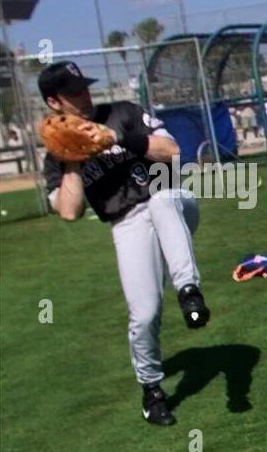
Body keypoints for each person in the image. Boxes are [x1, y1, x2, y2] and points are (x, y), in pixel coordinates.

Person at [40, 61, 210, 426]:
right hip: (126, 223)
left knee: (162, 198)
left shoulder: (122, 113)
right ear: (54, 102)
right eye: (72, 93)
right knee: (145, 313)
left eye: (83, 86)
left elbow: (171, 149)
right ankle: (152, 391)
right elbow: (68, 211)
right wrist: (72, 160)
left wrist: (119, 137)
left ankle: (188, 290)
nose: (83, 94)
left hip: (172, 200)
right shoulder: (57, 154)